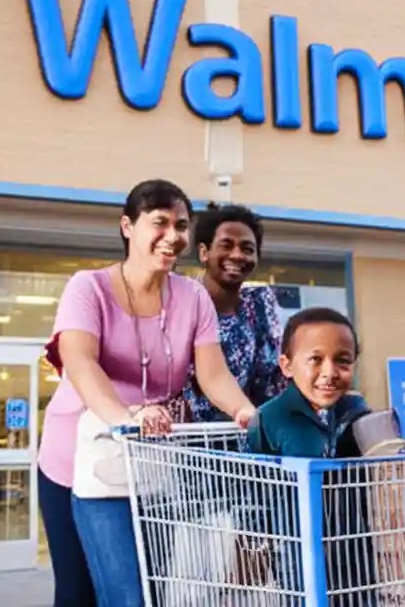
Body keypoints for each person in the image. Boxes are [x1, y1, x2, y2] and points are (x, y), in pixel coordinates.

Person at [38, 179, 257, 607]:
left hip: (151, 461)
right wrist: (126, 417)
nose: (173, 236)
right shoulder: (88, 288)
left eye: (181, 225)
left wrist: (244, 410)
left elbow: (213, 374)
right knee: (79, 590)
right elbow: (82, 363)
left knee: (145, 591)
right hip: (78, 460)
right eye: (159, 222)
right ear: (127, 226)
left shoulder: (193, 296)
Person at [245, 307, 378, 605]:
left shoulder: (356, 411)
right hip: (296, 543)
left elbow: (382, 450)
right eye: (316, 360)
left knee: (359, 598)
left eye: (342, 361)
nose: (329, 373)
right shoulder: (271, 417)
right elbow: (252, 485)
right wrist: (257, 541)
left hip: (351, 538)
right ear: (287, 365)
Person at [182, 202, 285, 422]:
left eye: (247, 249)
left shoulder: (259, 302)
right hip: (185, 439)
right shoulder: (181, 301)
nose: (237, 255)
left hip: (243, 432)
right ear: (204, 252)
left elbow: (271, 378)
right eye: (226, 245)